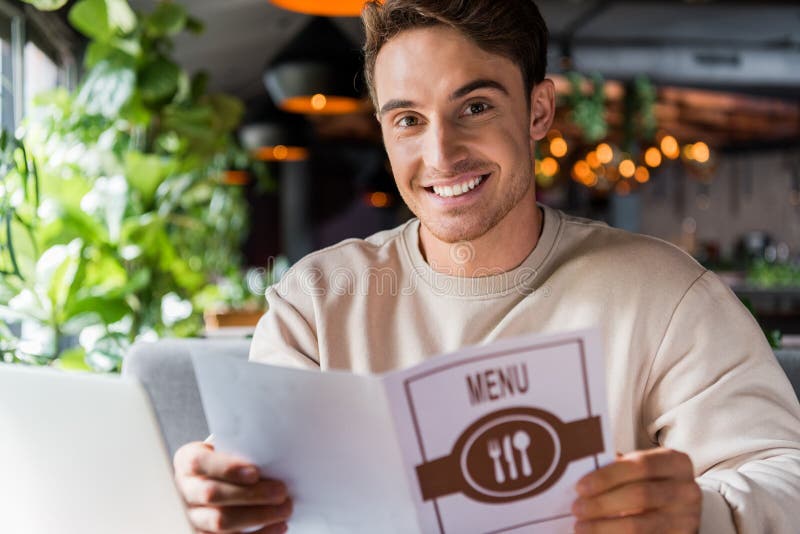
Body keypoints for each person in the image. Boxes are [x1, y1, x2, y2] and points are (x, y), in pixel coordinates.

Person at [172, 1, 800, 532]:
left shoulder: (667, 292)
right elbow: (268, 487)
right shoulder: (314, 302)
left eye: (474, 107)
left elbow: (784, 476)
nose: (440, 154)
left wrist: (702, 514)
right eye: (409, 119)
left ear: (538, 111)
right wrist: (223, 492)